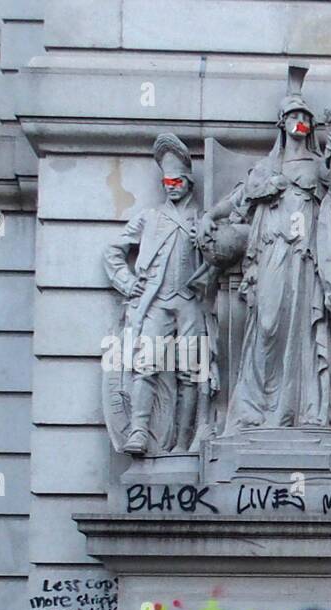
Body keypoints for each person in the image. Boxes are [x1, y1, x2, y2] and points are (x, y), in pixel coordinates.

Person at [198, 77, 331, 433]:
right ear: (282, 123)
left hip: (305, 262)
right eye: (292, 115)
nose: (299, 121)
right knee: (267, 326)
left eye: (304, 116)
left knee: (302, 332)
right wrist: (209, 216)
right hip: (272, 254)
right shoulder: (265, 169)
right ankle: (255, 406)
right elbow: (236, 200)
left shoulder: (319, 168)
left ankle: (299, 409)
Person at [103, 133, 210, 456]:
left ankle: (183, 440)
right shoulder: (149, 219)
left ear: (189, 182)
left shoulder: (202, 221)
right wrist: (126, 280)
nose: (170, 186)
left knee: (190, 373)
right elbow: (113, 250)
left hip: (189, 302)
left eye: (177, 180)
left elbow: (218, 262)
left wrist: (204, 243)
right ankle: (138, 430)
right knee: (146, 366)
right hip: (156, 303)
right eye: (166, 181)